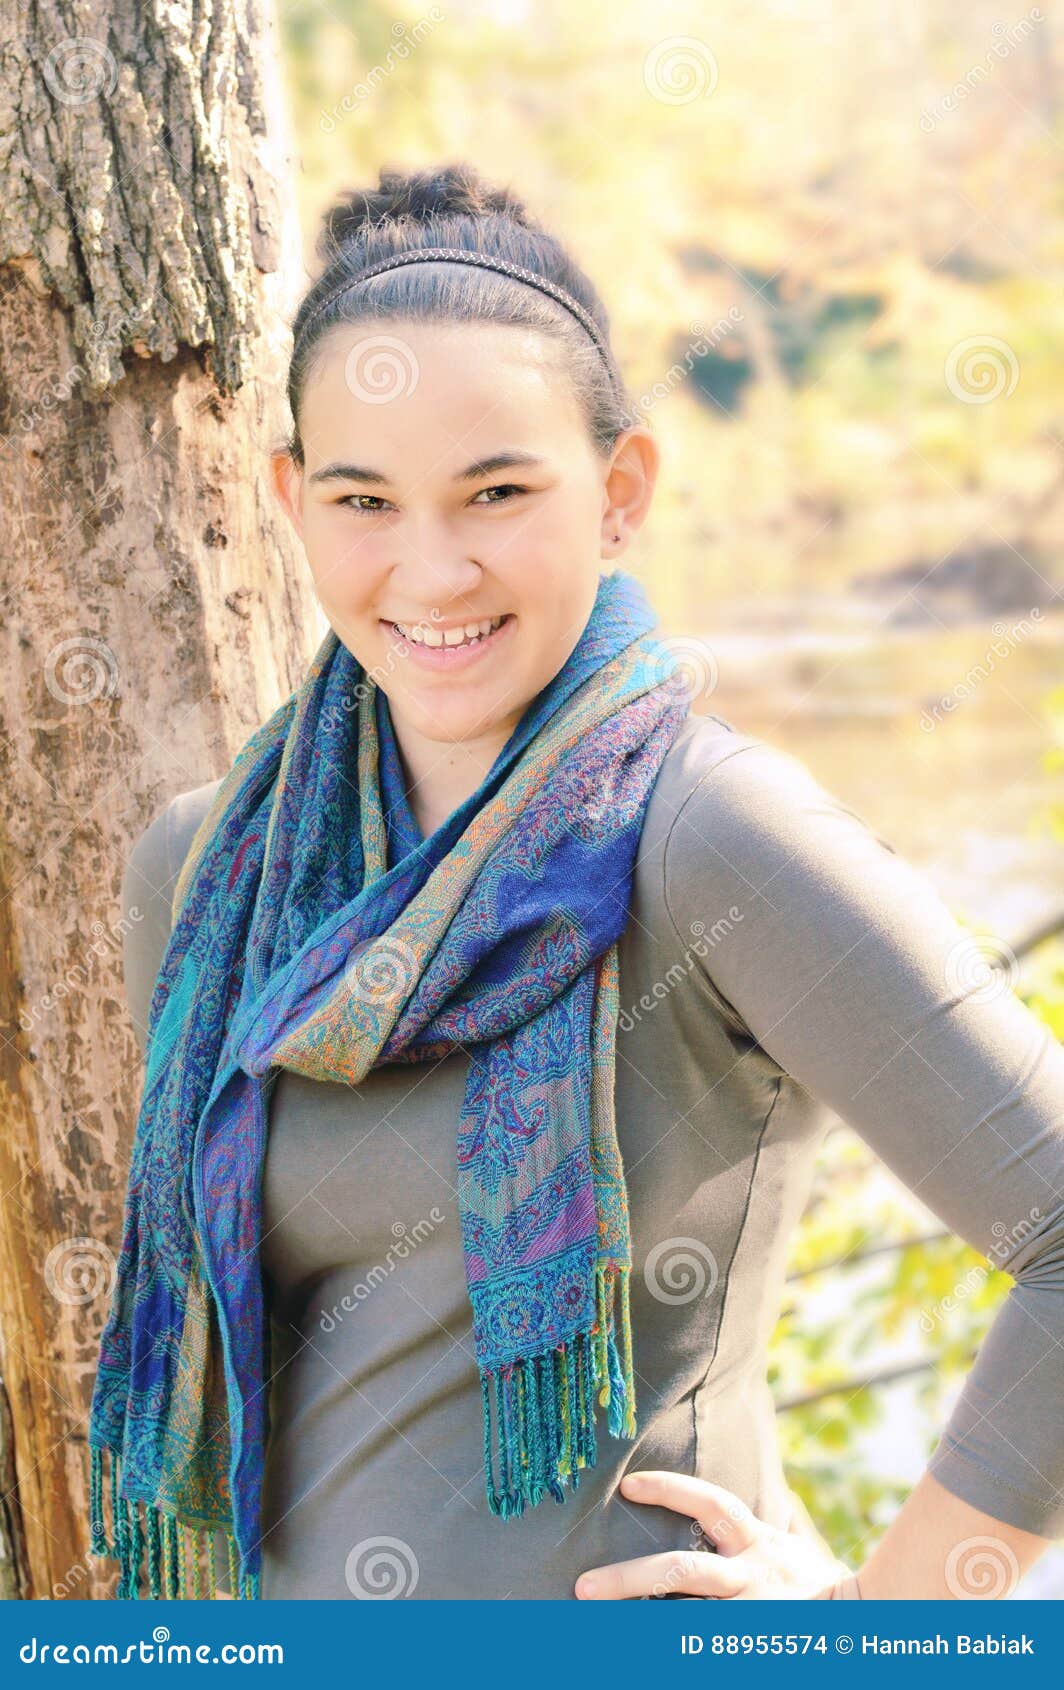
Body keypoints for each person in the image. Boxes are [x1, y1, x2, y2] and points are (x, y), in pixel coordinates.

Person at [91, 163, 1064, 1602]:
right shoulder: (204, 874)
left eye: (496, 492)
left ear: (619, 494)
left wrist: (884, 1619)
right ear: (293, 502)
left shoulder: (706, 834)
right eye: (365, 498)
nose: (431, 569)